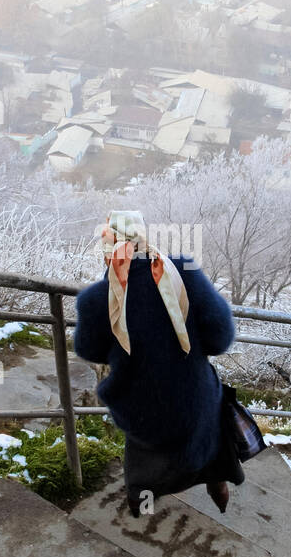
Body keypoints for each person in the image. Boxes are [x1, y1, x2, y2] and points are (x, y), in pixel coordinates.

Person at [73, 211, 244, 517]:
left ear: (106, 252)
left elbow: (88, 349)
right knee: (206, 399)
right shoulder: (184, 271)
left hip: (142, 415)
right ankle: (217, 483)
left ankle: (141, 502)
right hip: (196, 402)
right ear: (145, 240)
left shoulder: (96, 299)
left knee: (141, 442)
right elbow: (221, 338)